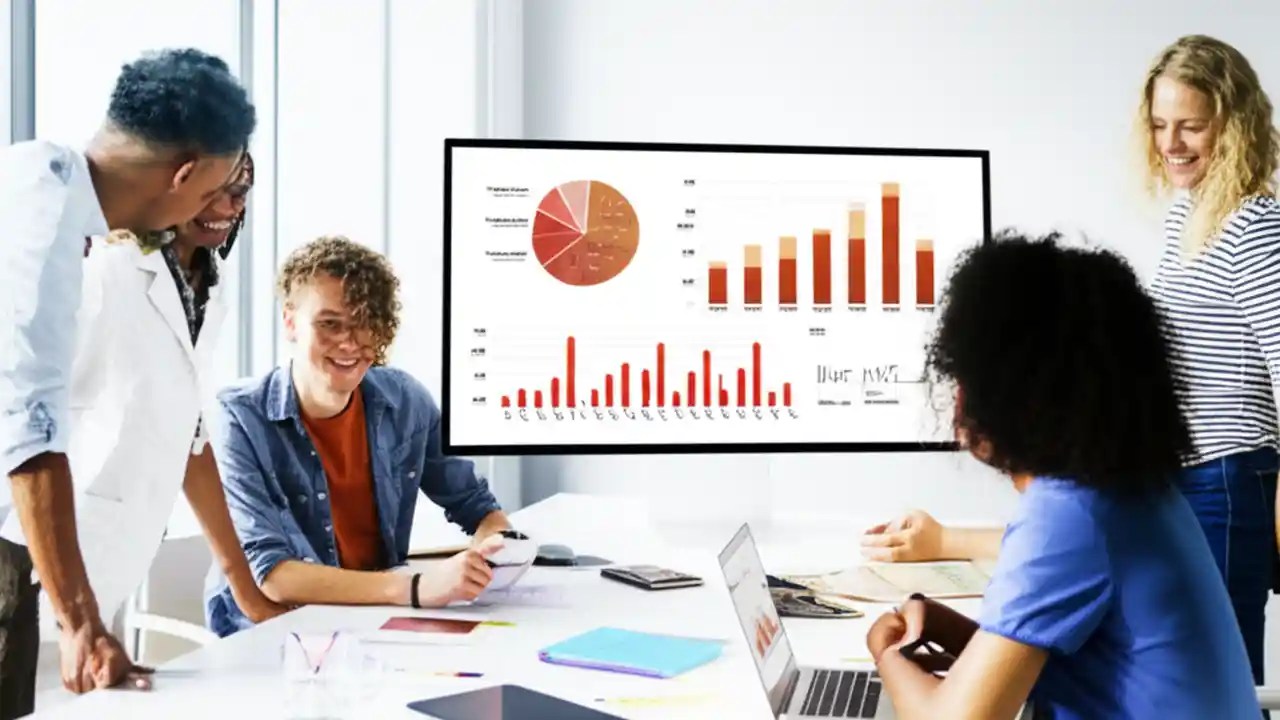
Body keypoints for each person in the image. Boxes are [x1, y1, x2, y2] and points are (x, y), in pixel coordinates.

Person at [863, 34, 1280, 689]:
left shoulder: (1255, 229)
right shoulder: (1187, 216)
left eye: (1192, 126)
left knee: (1215, 677)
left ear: (1235, 127)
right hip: (1182, 472)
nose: (1171, 143)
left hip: (1228, 479)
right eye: (1160, 125)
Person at [865, 232, 1260, 719]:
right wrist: (948, 628)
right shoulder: (1128, 486)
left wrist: (885, 654)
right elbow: (1056, 664)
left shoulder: (1069, 513)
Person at [0, 48, 258, 714]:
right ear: (184, 174)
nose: (218, 208)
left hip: (65, 558)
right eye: (214, 189)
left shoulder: (45, 185)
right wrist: (80, 621)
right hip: (16, 554)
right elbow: (28, 431)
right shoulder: (47, 217)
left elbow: (185, 430)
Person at [205, 236, 513, 637]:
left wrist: (493, 551)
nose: (350, 343)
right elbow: (274, 575)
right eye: (330, 324)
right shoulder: (240, 417)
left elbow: (480, 509)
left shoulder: (405, 401)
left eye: (365, 323)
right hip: (271, 634)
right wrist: (418, 588)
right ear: (291, 321)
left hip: (371, 623)